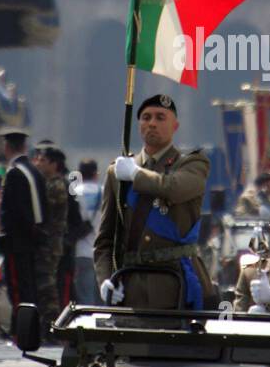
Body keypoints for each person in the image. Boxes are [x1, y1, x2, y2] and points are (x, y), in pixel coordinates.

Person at [94, 94, 213, 310]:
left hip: (176, 284)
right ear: (139, 125)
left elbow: (175, 188)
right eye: (146, 118)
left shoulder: (193, 164)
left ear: (175, 125)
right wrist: (105, 279)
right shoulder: (118, 172)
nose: (152, 123)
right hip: (130, 285)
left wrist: (136, 175)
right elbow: (105, 240)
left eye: (160, 117)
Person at [0, 127, 46, 312]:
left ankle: (21, 329)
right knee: (29, 285)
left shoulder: (14, 173)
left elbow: (15, 210)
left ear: (7, 147)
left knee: (18, 287)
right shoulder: (34, 171)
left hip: (17, 241)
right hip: (32, 239)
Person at [32, 144, 68, 338]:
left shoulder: (55, 185)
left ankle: (53, 327)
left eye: (44, 160)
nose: (39, 163)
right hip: (48, 243)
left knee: (48, 287)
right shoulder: (49, 183)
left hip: (50, 244)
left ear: (54, 164)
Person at [71, 159, 101, 304]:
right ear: (96, 174)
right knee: (101, 298)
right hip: (101, 252)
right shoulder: (104, 192)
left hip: (79, 251)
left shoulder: (74, 192)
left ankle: (85, 325)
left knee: (84, 296)